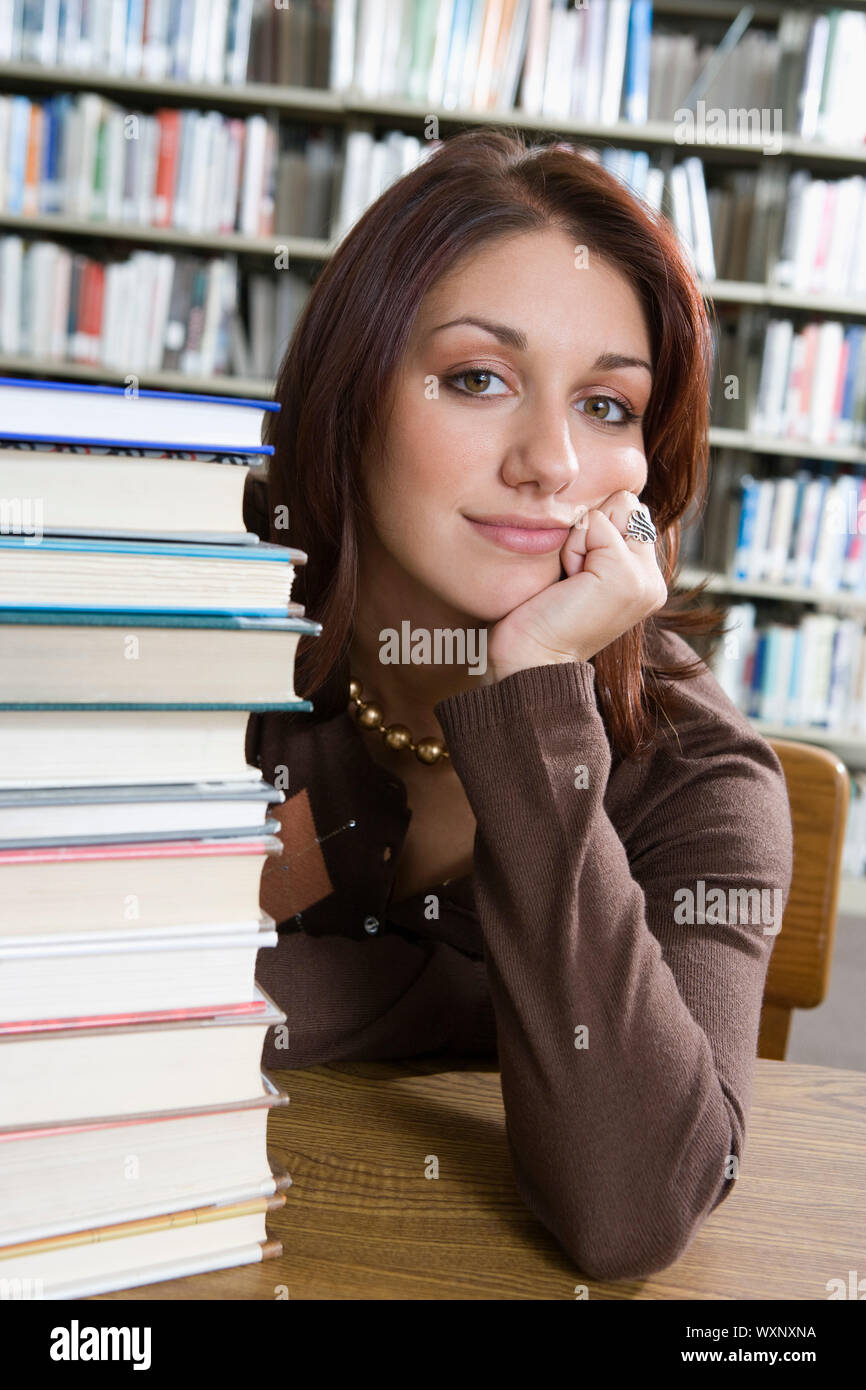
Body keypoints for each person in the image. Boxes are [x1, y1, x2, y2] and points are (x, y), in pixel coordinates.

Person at [243, 128, 793, 1282]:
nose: (549, 460)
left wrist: (536, 689)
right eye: (475, 378)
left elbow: (633, 1207)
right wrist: (455, 1001)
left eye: (605, 404)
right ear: (353, 400)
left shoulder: (700, 776)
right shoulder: (190, 613)